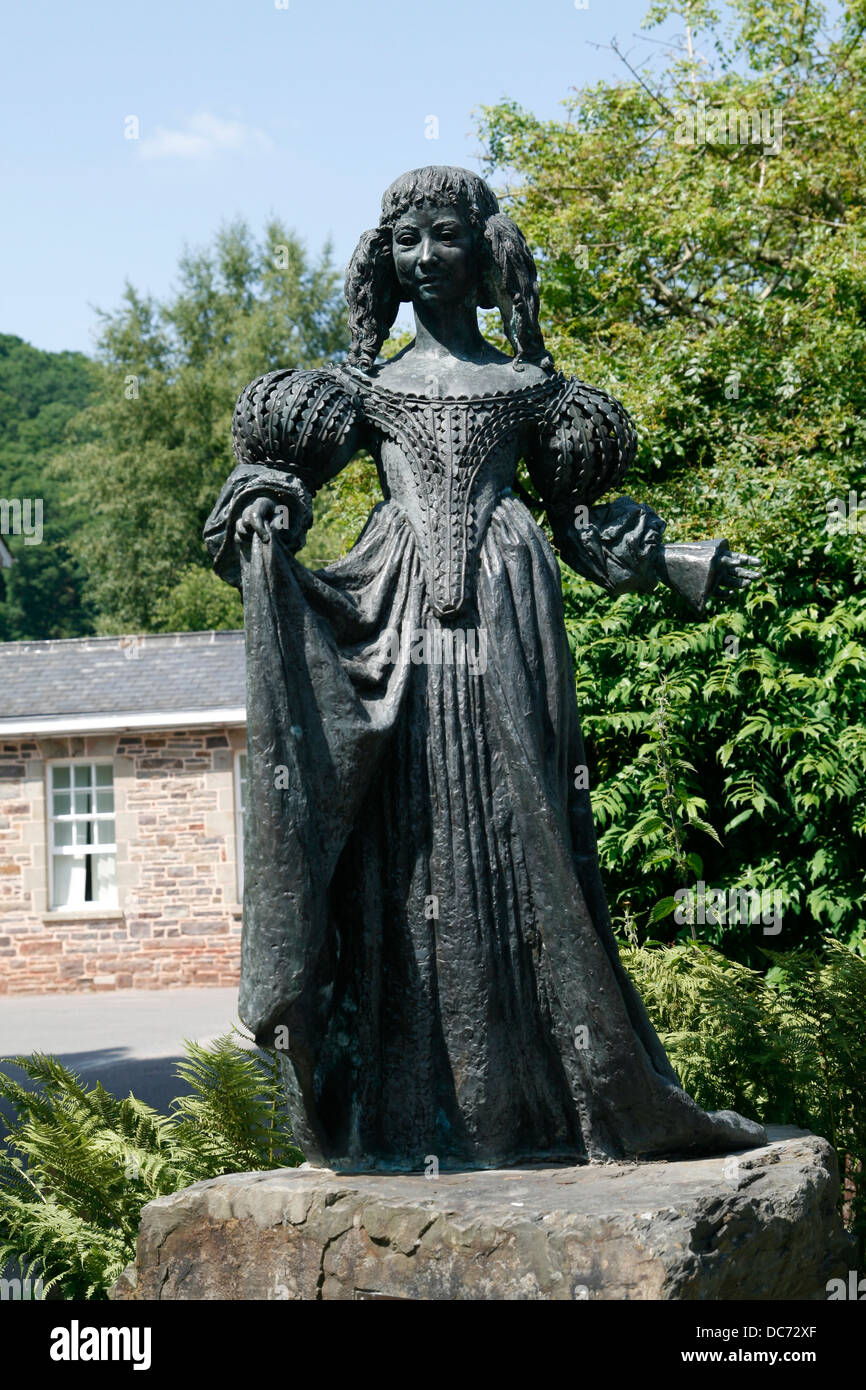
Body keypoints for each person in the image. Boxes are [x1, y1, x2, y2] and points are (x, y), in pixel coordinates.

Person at [205, 166, 765, 1171]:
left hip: (511, 614)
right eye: (406, 239)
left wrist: (675, 562)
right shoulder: (356, 388)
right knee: (404, 847)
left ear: (485, 249)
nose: (425, 257)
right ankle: (405, 1119)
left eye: (445, 236)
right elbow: (279, 487)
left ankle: (548, 1111)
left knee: (529, 841)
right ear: (385, 255)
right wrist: (261, 511)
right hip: (392, 614)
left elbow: (590, 539)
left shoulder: (536, 391)